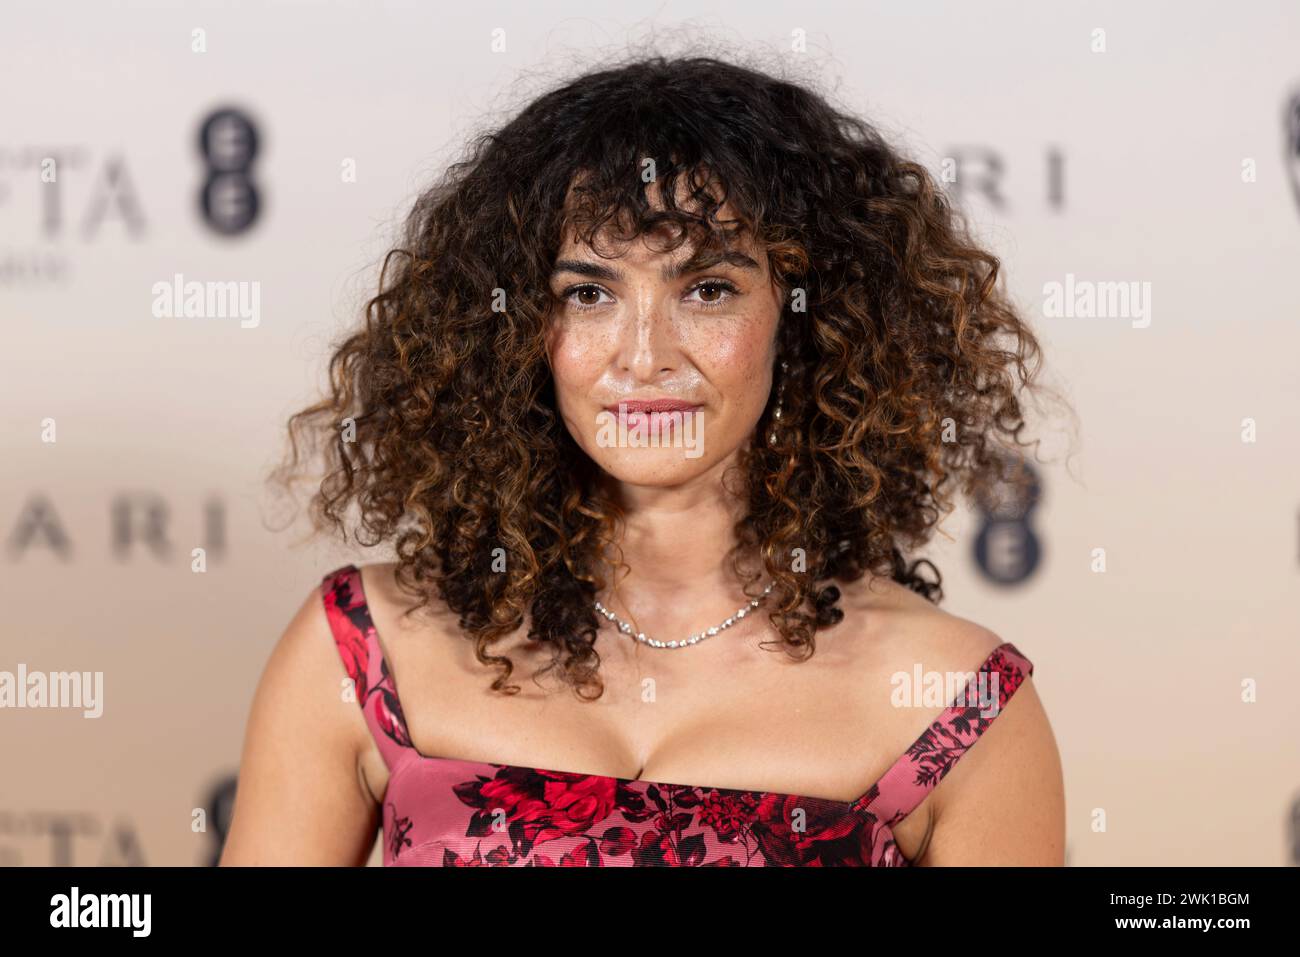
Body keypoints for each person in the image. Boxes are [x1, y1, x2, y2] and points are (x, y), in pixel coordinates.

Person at [220, 54, 1065, 867]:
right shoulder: (365, 648)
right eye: (588, 294)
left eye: (708, 290)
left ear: (805, 317)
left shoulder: (961, 701)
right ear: (519, 332)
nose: (644, 357)